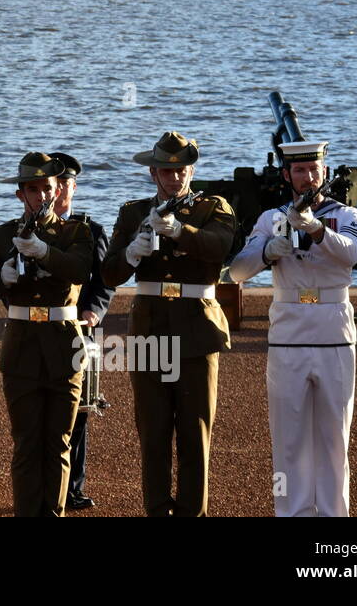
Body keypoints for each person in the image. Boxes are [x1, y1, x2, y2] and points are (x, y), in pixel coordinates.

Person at [101, 131, 235, 517]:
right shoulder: (133, 212)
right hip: (150, 326)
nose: (175, 178)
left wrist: (180, 232)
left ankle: (194, 512)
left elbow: (221, 247)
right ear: (153, 173)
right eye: (166, 171)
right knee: (153, 431)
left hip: (196, 327)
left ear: (191, 170)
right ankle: (157, 510)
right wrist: (130, 253)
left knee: (195, 433)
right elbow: (109, 275)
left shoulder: (214, 206)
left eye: (181, 170)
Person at [230, 141, 357, 517]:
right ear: (287, 175)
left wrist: (317, 229)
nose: (309, 178)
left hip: (333, 329)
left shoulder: (349, 215)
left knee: (334, 437)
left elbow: (352, 254)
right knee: (289, 438)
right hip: (289, 332)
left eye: (315, 169)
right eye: (300, 171)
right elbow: (237, 272)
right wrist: (266, 252)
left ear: (325, 172)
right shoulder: (271, 218)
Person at [0, 152, 93, 516]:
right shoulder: (2, 234)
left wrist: (44, 251)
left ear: (57, 191)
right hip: (22, 344)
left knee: (58, 442)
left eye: (47, 189)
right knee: (26, 443)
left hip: (63, 342)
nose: (41, 196)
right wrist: (1, 278)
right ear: (20, 194)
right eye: (33, 189)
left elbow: (80, 269)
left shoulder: (76, 232)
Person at [49, 151, 115, 511]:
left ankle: (72, 487)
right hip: (40, 330)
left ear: (73, 187)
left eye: (64, 185)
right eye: (52, 185)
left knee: (78, 412)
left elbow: (104, 282)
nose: (58, 192)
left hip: (78, 330)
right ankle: (42, 484)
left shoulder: (93, 231)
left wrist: (94, 311)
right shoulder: (29, 228)